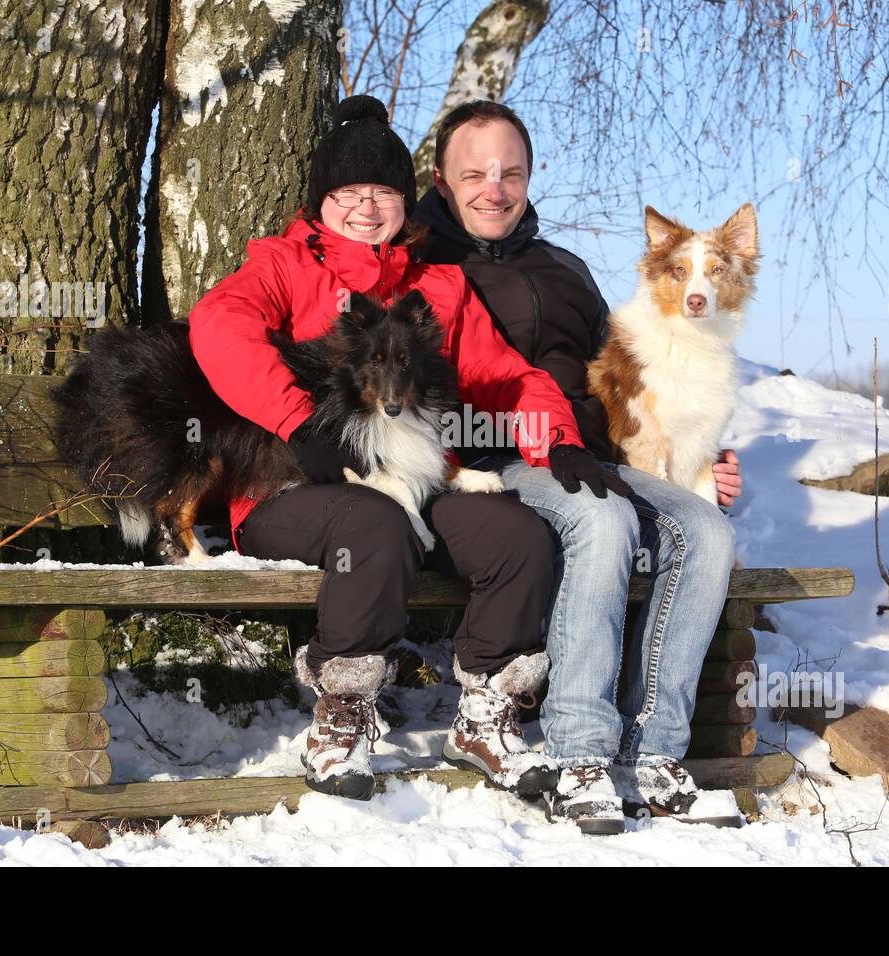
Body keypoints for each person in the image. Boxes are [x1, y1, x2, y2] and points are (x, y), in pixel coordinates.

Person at [187, 95, 616, 802]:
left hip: (412, 479)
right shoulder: (282, 266)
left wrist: (559, 439)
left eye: (384, 190)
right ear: (323, 199)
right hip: (290, 487)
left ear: (405, 202)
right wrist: (299, 423)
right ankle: (344, 718)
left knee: (516, 532)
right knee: (372, 523)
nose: (365, 205)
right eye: (348, 191)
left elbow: (505, 376)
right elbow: (217, 329)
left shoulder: (436, 288)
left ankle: (485, 711)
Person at [412, 100, 745, 833]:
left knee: (709, 534)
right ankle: (580, 755)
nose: (494, 188)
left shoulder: (564, 268)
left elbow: (632, 375)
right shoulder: (421, 266)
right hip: (494, 457)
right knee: (602, 518)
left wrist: (695, 461)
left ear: (528, 178)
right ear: (441, 178)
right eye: (474, 174)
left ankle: (653, 753)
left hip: (588, 454)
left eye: (510, 173)